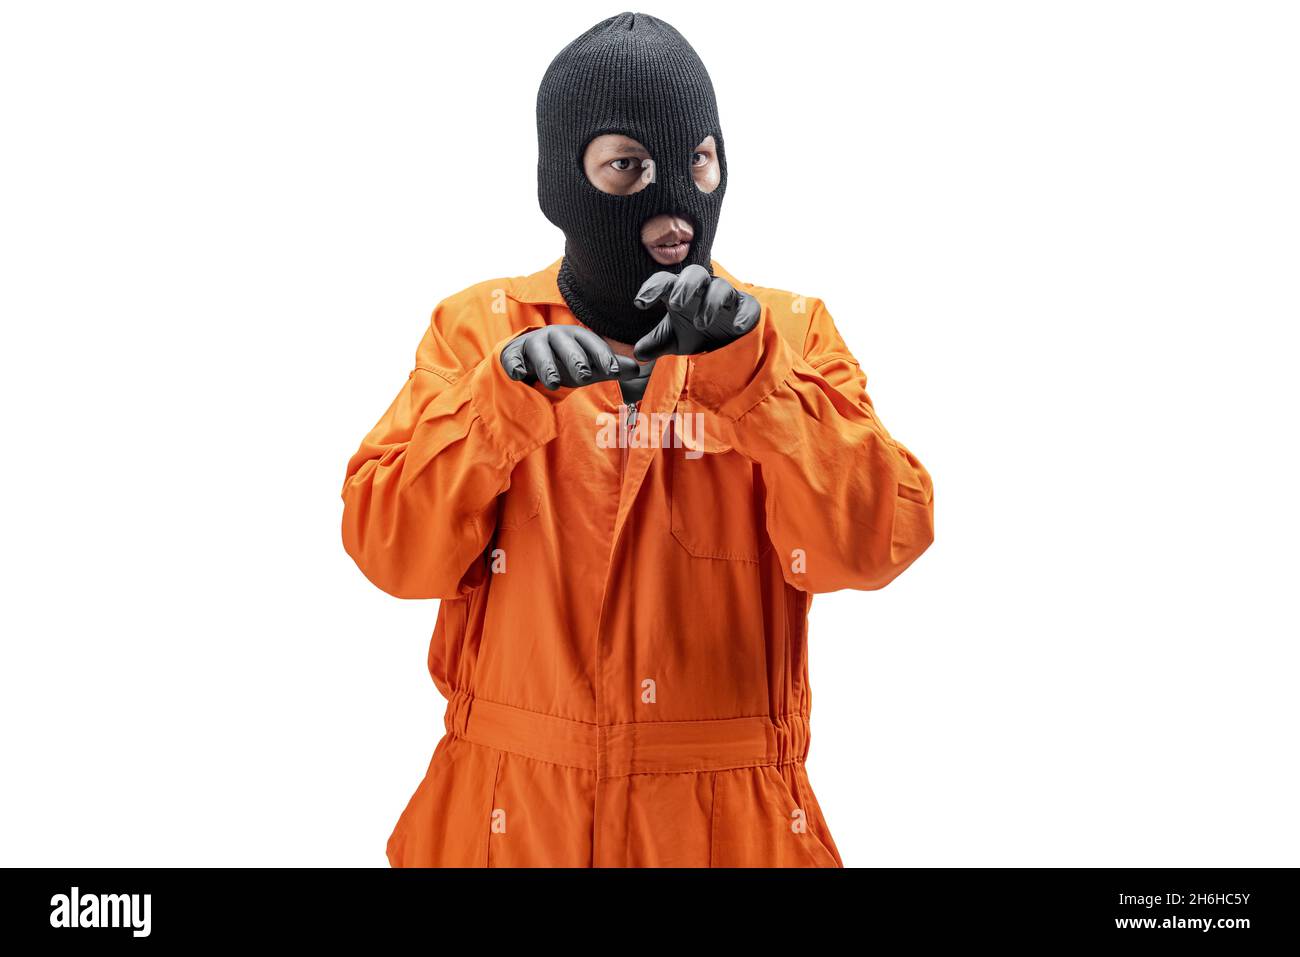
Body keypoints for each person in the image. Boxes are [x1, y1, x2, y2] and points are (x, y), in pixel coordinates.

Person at [340, 11, 935, 867]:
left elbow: (874, 545)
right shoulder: (478, 331)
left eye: (698, 160)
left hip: (726, 830)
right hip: (505, 825)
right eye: (629, 165)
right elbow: (391, 551)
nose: (678, 199)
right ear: (562, 183)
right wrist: (497, 405)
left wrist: (757, 381)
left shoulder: (787, 336)